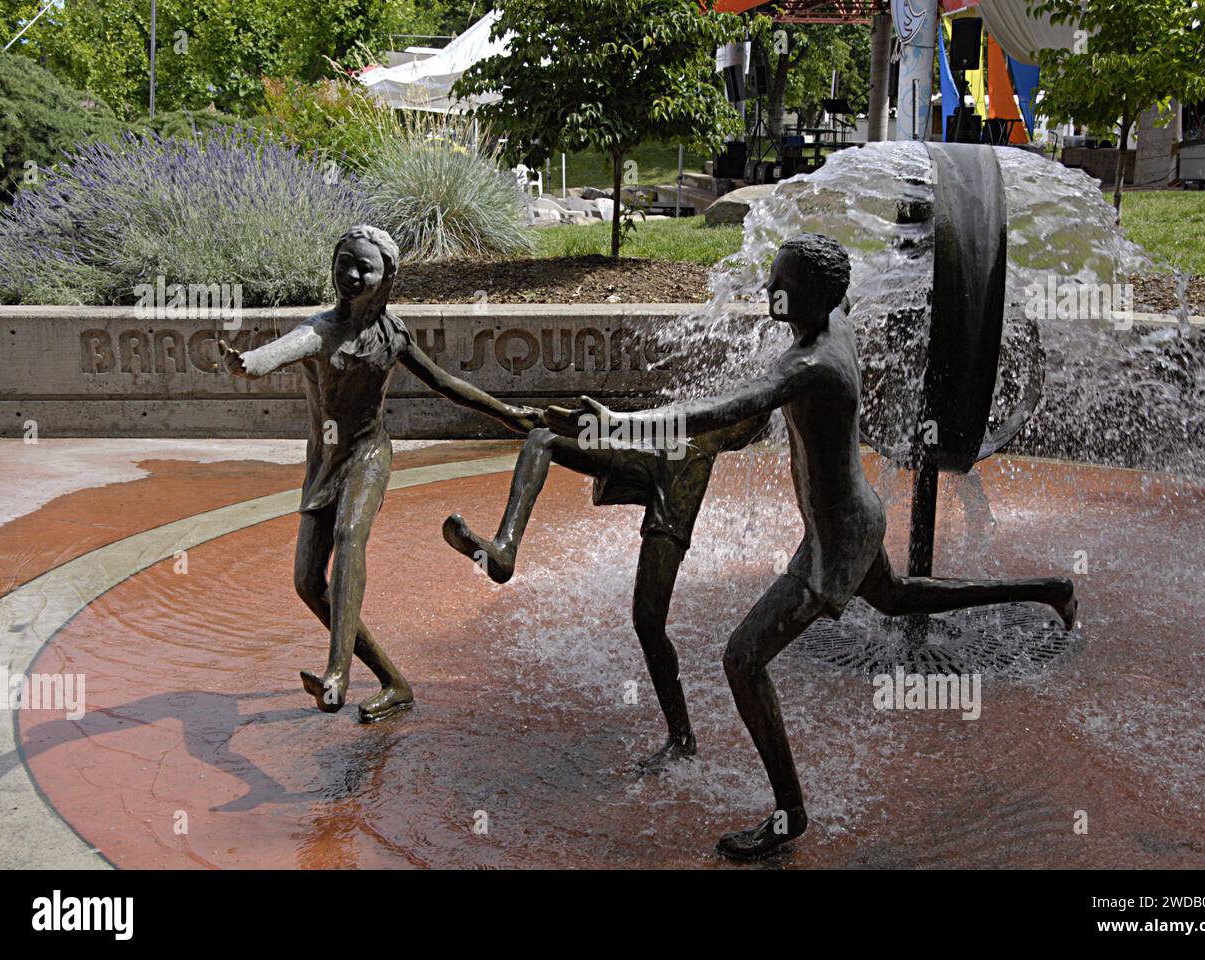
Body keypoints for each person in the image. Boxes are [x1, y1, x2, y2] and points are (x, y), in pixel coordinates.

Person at [547, 233, 1075, 859]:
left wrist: (620, 425)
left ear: (815, 297)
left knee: (743, 659)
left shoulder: (811, 365)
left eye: (783, 284)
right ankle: (1049, 589)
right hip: (856, 518)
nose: (771, 290)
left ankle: (789, 814)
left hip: (835, 542)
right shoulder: (835, 327)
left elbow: (721, 408)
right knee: (900, 599)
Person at [221, 225, 541, 723]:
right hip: (325, 462)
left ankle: (337, 674)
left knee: (351, 535)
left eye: (363, 268)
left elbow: (445, 383)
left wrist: (509, 414)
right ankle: (394, 682)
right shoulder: (322, 331)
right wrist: (249, 364)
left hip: (369, 456)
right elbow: (282, 348)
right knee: (308, 584)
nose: (350, 274)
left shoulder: (393, 335)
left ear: (385, 279)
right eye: (344, 262)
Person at [443, 412, 770, 770]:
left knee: (647, 621)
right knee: (542, 436)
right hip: (650, 451)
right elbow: (524, 418)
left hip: (680, 478)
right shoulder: (684, 416)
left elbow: (756, 419)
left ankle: (682, 737)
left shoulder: (752, 401)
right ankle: (505, 549)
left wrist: (609, 423)